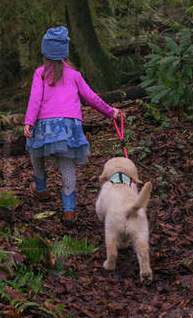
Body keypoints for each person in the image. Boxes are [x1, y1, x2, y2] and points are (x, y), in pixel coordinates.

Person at [23, 25, 123, 224]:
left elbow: (35, 99)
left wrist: (29, 122)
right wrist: (112, 112)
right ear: (64, 53)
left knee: (37, 154)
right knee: (67, 165)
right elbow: (91, 97)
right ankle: (69, 210)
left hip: (45, 125)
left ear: (45, 52)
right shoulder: (75, 75)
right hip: (68, 127)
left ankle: (41, 189)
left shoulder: (40, 73)